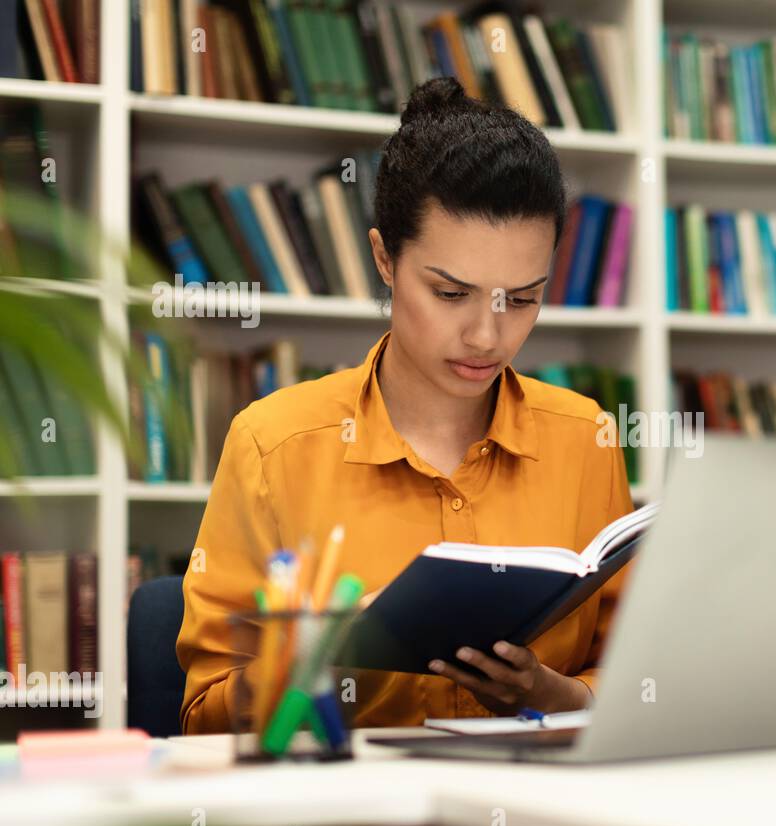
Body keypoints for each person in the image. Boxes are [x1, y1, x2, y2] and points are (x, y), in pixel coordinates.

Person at [176, 76, 635, 733]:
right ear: (384, 259)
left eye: (524, 297)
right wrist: (312, 662)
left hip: (539, 813)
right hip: (347, 821)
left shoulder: (583, 438)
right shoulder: (273, 444)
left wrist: (545, 691)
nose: (486, 335)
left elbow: (634, 688)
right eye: (451, 294)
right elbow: (201, 720)